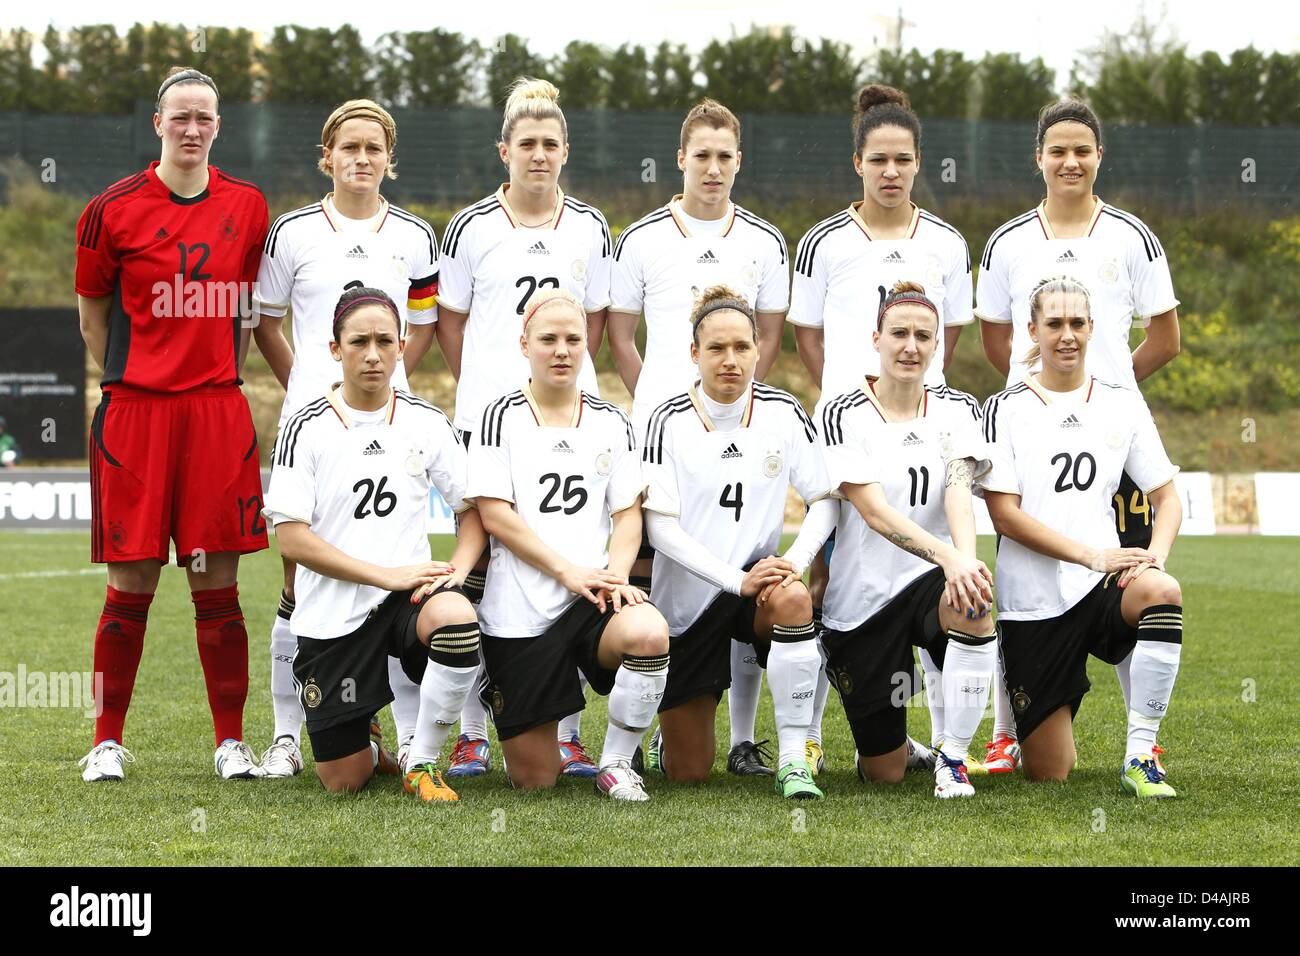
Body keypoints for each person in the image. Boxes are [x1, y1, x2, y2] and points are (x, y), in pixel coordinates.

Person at [975, 97, 1181, 773]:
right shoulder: (1007, 242)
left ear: (1099, 157)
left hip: (1109, 439)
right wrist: (1052, 387)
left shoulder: (1130, 236)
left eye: (1082, 150)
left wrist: (1110, 391)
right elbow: (997, 339)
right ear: (1038, 157)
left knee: (1131, 569)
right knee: (1029, 570)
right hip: (1033, 434)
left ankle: (1141, 741)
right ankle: (1011, 729)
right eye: (1057, 150)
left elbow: (1165, 337)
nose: (1069, 161)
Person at [75, 67, 269, 782]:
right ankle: (106, 741)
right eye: (180, 116)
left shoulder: (248, 207)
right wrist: (141, 377)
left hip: (216, 411)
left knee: (217, 582)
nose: (192, 129)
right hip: (137, 414)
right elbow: (93, 316)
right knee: (131, 584)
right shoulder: (109, 210)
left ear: (219, 127)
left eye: (205, 118)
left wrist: (214, 376)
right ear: (157, 122)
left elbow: (247, 313)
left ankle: (229, 742)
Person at [252, 98, 440, 779]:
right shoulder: (292, 232)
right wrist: (313, 389)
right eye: (349, 148)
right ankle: (284, 736)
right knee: (299, 576)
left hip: (389, 429)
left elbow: (416, 328)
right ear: (326, 157)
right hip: (312, 428)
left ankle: (404, 737)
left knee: (398, 576)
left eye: (374, 149)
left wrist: (381, 393)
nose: (362, 159)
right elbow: (266, 324)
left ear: (390, 158)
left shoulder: (417, 236)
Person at [789, 84, 974, 773]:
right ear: (858, 163)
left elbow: (947, 334)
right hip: (846, 430)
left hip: (920, 430)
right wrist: (848, 397)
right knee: (821, 578)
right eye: (878, 160)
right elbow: (807, 337)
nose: (890, 171)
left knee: (936, 575)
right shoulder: (823, 242)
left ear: (919, 163)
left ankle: (947, 740)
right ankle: (802, 739)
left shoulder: (948, 244)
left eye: (902, 160)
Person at [437, 78, 614, 779]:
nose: (538, 155)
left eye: (550, 144)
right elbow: (449, 324)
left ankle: (568, 732)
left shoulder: (592, 227)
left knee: (569, 568)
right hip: (489, 427)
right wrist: (486, 396)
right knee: (481, 570)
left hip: (570, 425)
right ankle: (473, 732)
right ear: (503, 151)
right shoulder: (470, 225)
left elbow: (591, 327)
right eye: (526, 144)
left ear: (564, 151)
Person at [608, 98, 789, 776]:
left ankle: (743, 737)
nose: (713, 168)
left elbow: (766, 336)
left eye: (725, 156)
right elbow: (621, 336)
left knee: (747, 562)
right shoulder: (644, 237)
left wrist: (733, 404)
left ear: (739, 163)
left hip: (736, 434)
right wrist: (659, 400)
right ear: (680, 159)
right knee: (665, 574)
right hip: (663, 435)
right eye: (701, 155)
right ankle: (657, 720)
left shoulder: (766, 242)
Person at [262, 287, 484, 800]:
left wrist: (456, 571)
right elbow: (291, 539)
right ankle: (370, 744)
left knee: (455, 619)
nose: (373, 354)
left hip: (408, 602)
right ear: (335, 349)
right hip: (335, 611)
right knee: (344, 781)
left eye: (385, 341)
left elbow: (472, 509)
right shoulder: (305, 427)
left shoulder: (425, 421)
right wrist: (386, 574)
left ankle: (422, 762)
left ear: (402, 345)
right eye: (359, 341)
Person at [979, 276, 1183, 798]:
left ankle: (1141, 754)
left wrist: (1153, 558)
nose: (1066, 335)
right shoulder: (1004, 408)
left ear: (1092, 328)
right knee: (1051, 773)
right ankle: (1023, 733)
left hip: (1103, 587)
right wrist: (1089, 555)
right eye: (1054, 324)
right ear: (1032, 331)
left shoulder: (1122, 404)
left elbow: (1168, 498)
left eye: (1076, 323)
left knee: (1162, 591)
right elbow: (1005, 516)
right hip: (1034, 602)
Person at [468, 288, 670, 801]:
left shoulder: (612, 420)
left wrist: (617, 576)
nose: (562, 350)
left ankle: (617, 762)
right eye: (549, 339)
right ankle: (508, 702)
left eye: (573, 340)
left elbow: (628, 515)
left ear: (587, 346)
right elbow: (495, 515)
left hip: (590, 598)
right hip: (521, 612)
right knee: (535, 780)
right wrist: (567, 572)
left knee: (648, 630)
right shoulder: (498, 416)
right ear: (524, 345)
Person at [641, 286, 834, 799]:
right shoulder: (667, 420)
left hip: (759, 585)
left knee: (793, 599)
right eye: (717, 349)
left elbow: (826, 499)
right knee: (690, 774)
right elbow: (659, 528)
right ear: (694, 354)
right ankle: (668, 739)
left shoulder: (784, 411)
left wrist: (792, 563)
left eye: (742, 348)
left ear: (757, 348)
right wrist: (737, 580)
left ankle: (794, 759)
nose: (731, 361)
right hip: (690, 603)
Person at [818, 282, 996, 797]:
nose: (911, 346)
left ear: (937, 345)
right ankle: (904, 747)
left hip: (929, 582)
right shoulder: (841, 411)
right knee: (883, 772)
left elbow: (958, 488)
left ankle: (954, 760)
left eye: (924, 336)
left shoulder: (958, 407)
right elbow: (873, 511)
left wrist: (963, 565)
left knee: (972, 603)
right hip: (862, 602)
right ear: (876, 338)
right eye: (899, 333)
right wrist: (950, 557)